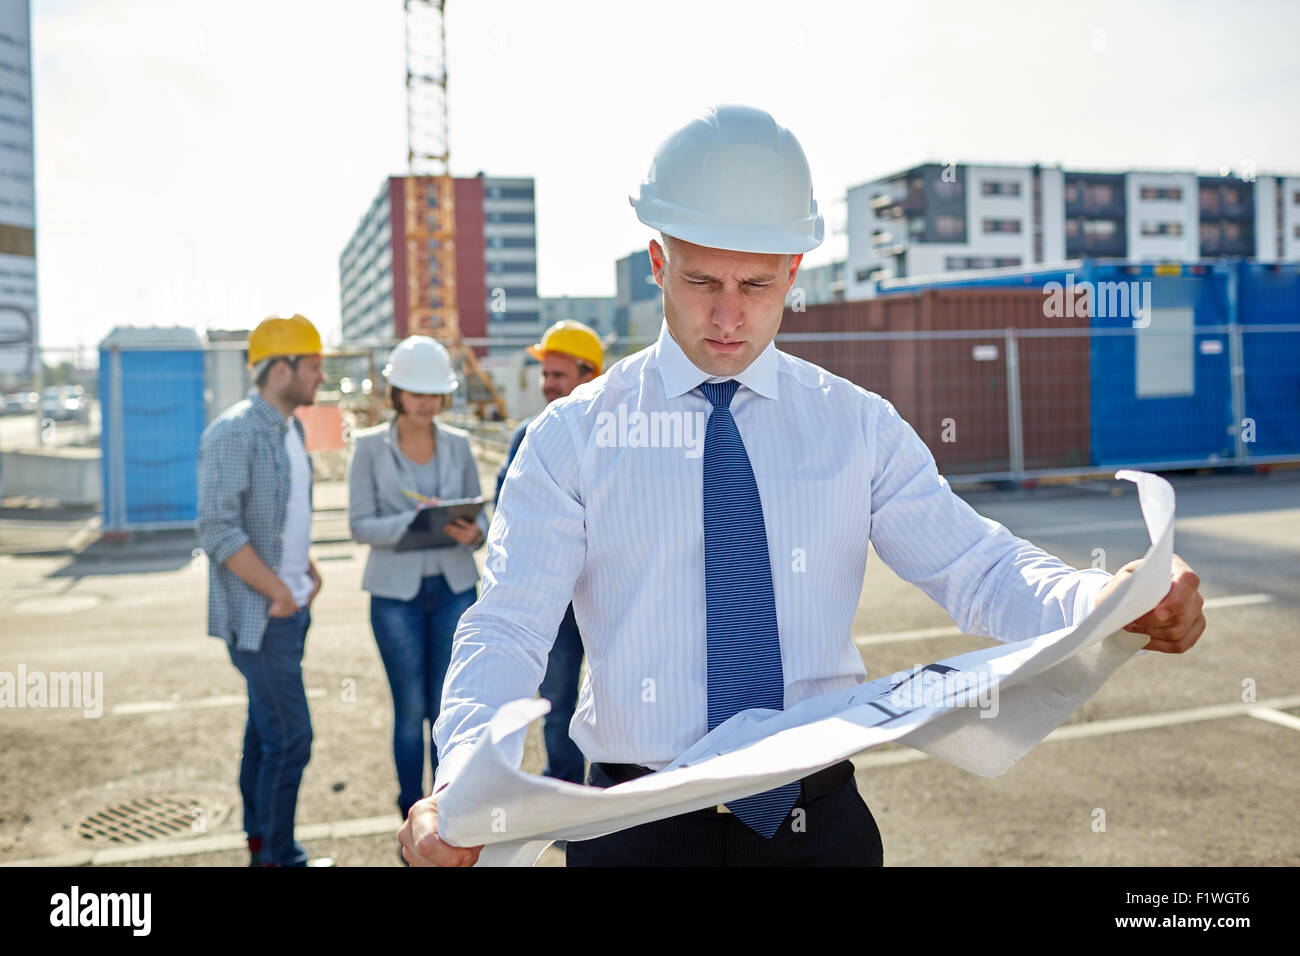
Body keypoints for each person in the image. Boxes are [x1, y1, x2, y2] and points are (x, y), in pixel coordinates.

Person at [400, 105, 1207, 868]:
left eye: (755, 286)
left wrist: (1109, 599)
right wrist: (461, 781)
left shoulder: (855, 425)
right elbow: (507, 628)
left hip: (816, 831)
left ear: (793, 271)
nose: (726, 316)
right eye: (700, 281)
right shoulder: (571, 438)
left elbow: (978, 568)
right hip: (632, 829)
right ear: (657, 262)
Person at [197, 314, 327, 867]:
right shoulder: (235, 431)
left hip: (288, 608)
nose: (321, 377)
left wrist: (306, 569)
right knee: (291, 739)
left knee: (265, 735)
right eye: (314, 365)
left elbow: (279, 518)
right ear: (282, 368)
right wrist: (278, 591)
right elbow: (218, 529)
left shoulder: (292, 427)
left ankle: (260, 846)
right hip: (262, 617)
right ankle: (277, 859)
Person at [347, 335, 489, 824]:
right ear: (396, 392)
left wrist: (474, 531)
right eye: (417, 392)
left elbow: (482, 519)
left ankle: (445, 811)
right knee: (409, 709)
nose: (428, 403)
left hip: (453, 588)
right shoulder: (367, 448)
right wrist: (411, 524)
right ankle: (412, 813)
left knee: (446, 708)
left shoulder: (459, 443)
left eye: (435, 394)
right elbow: (359, 523)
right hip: (395, 596)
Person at [494, 320, 604, 786]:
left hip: (609, 594)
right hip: (556, 604)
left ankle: (617, 798)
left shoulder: (622, 435)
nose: (547, 385)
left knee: (620, 699)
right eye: (545, 375)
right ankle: (563, 792)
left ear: (589, 374)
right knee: (557, 702)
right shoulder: (528, 436)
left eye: (557, 375)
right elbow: (506, 506)